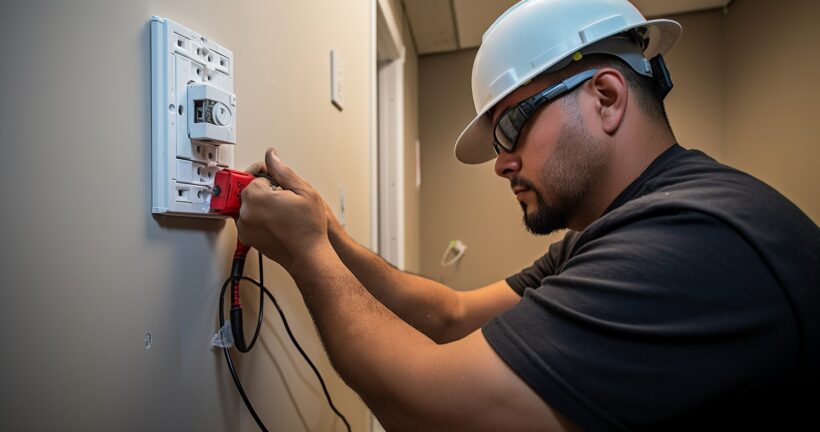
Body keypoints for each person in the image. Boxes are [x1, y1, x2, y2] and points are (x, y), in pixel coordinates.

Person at [237, 0, 820, 430]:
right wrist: (330, 236)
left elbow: (429, 409)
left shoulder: (694, 239)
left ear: (608, 98)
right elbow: (450, 315)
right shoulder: (623, 225)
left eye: (512, 127)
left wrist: (306, 254)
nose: (501, 164)